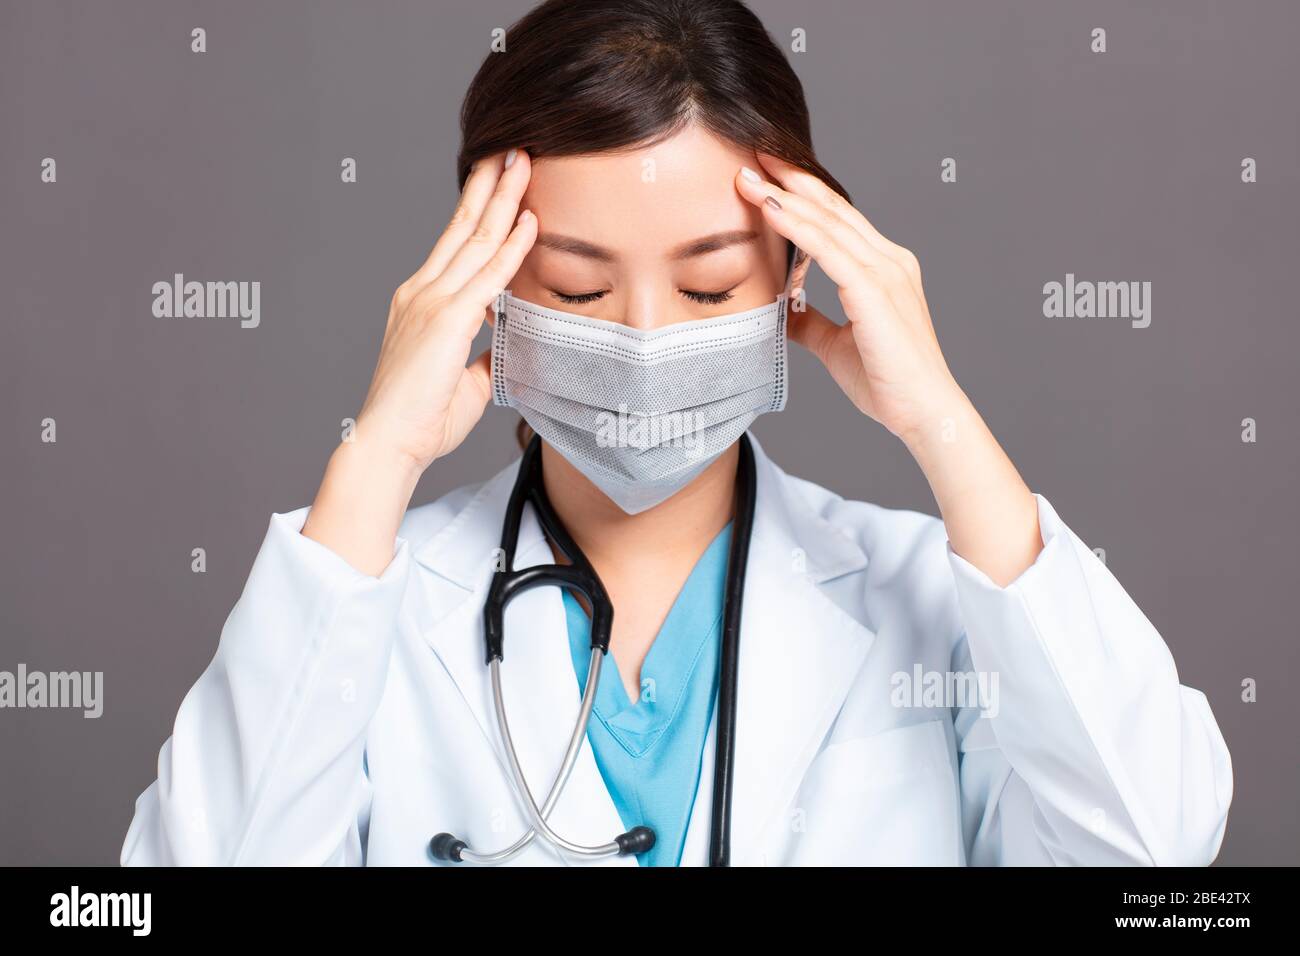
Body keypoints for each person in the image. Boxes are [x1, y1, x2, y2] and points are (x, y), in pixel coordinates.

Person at [120, 0, 1231, 866]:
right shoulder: (365, 595)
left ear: (794, 273)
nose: (646, 336)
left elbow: (1150, 858)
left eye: (706, 290)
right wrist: (374, 462)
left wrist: (943, 423)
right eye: (574, 287)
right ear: (487, 290)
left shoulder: (935, 601)